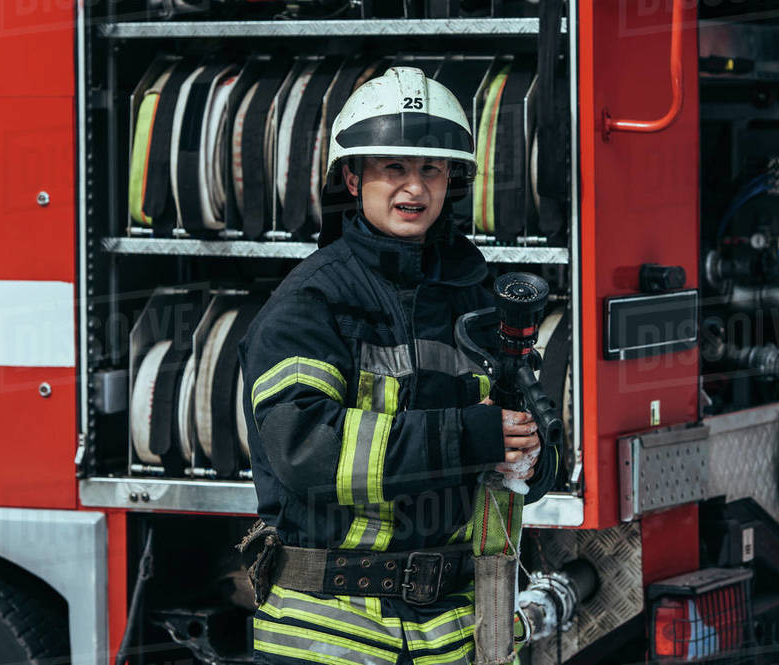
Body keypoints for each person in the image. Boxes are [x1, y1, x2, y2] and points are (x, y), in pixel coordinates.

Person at [239, 66, 558, 665]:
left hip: (458, 635)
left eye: (431, 169)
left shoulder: (473, 296)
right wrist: (471, 436)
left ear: (451, 181)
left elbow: (507, 462)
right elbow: (306, 449)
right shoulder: (312, 301)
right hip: (328, 639)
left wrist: (530, 455)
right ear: (353, 177)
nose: (414, 188)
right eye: (394, 168)